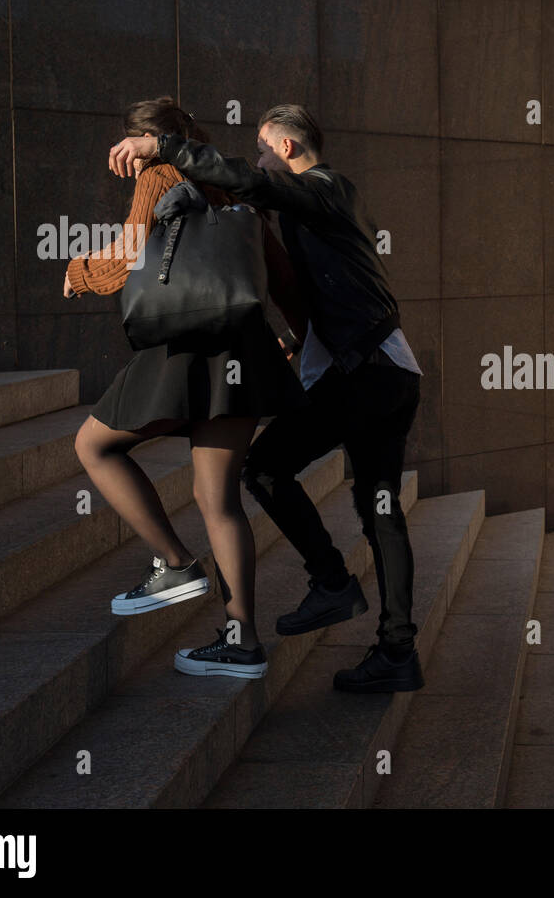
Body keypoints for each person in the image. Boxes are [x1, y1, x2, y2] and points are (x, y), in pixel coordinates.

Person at [108, 104, 425, 693]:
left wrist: (165, 149)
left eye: (260, 147)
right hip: (391, 371)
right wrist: (296, 344)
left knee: (266, 468)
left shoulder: (320, 188)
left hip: (365, 374)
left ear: (284, 148)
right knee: (381, 510)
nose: (254, 159)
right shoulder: (336, 198)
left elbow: (249, 181)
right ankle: (397, 649)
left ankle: (331, 581)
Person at [66, 96, 308, 680]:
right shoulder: (234, 182)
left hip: (181, 348)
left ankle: (175, 563)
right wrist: (297, 340)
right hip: (243, 350)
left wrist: (77, 272)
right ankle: (243, 641)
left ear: (139, 142)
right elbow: (282, 277)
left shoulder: (160, 173)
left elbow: (127, 255)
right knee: (219, 500)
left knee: (93, 447)